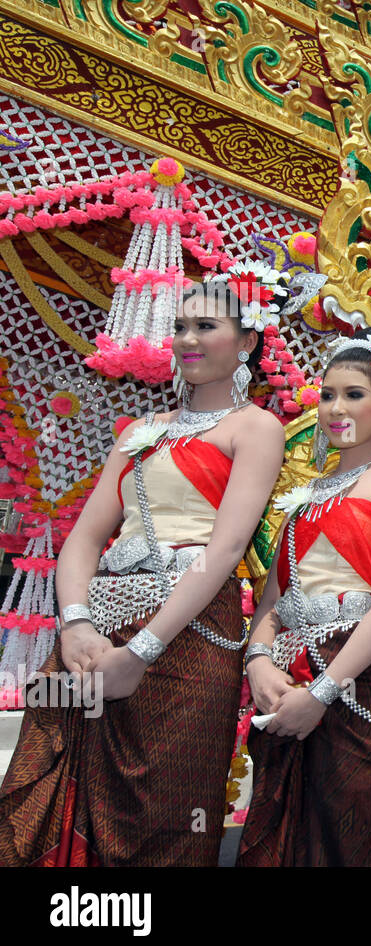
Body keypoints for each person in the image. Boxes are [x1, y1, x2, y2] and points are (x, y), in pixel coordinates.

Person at [0, 265, 298, 865]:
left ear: (246, 343)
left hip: (188, 636)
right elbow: (84, 540)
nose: (188, 339)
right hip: (94, 631)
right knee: (49, 772)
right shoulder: (140, 431)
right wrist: (78, 621)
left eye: (206, 326)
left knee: (165, 805)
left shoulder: (256, 427)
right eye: (181, 327)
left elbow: (223, 552)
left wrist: (142, 653)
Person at [237, 317, 371, 866]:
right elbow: (272, 602)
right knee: (274, 832)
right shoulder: (299, 495)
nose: (336, 409)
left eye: (354, 395)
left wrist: (323, 693)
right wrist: (260, 663)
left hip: (358, 680)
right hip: (286, 677)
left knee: (348, 835)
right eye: (328, 395)